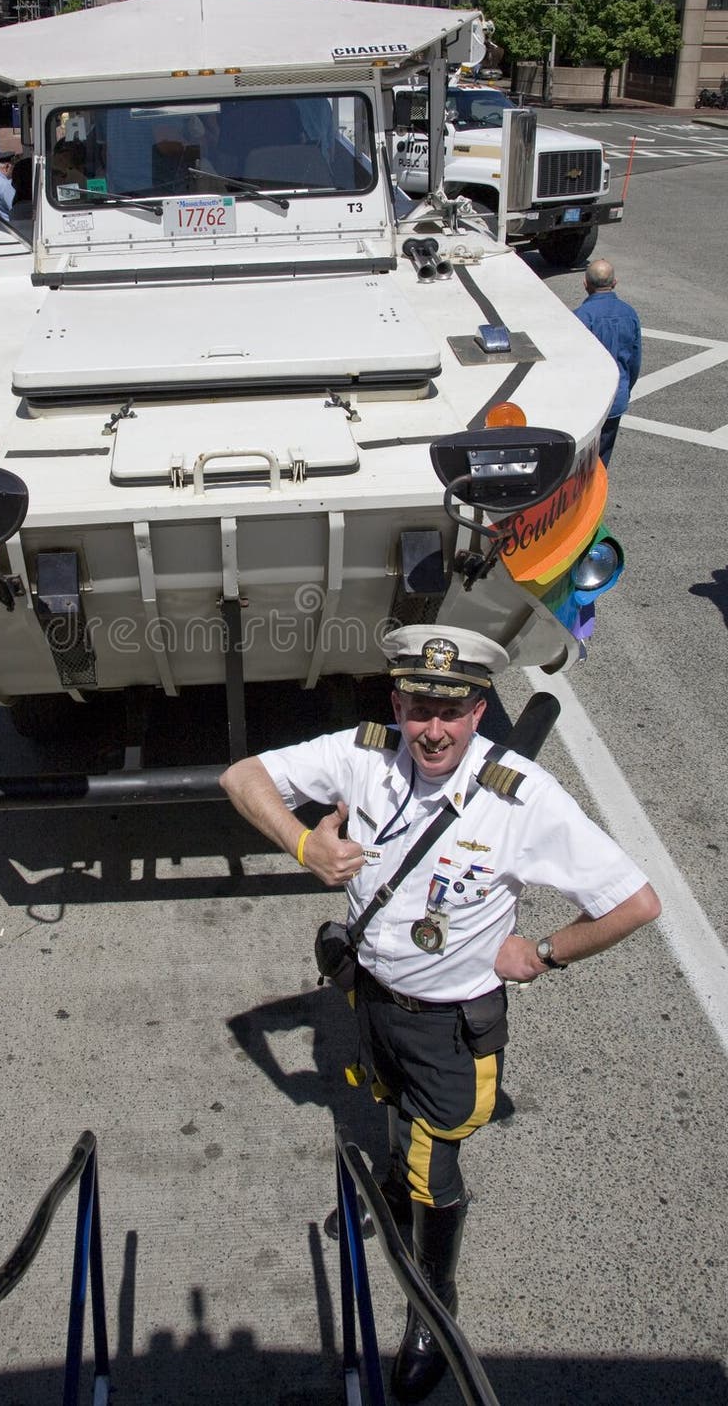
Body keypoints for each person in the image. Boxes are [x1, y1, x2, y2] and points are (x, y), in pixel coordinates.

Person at [220, 625, 661, 1404]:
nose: (432, 730)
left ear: (479, 711)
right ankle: (394, 1189)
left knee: (437, 1167)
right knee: (389, 1109)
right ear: (397, 705)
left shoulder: (521, 797)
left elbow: (635, 902)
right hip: (373, 999)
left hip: (449, 1029)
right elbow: (242, 775)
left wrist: (544, 952)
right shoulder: (363, 756)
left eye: (451, 713)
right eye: (419, 708)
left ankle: (433, 1305)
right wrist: (302, 844)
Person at [573, 259, 642, 468]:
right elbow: (635, 361)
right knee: (602, 459)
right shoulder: (630, 313)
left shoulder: (581, 317)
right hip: (616, 397)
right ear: (614, 282)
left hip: (588, 400)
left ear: (585, 284)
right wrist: (625, 389)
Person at [0, 150, 16, 221]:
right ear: (7, 167)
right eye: (13, 167)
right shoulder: (5, 185)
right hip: (8, 224)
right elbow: (14, 209)